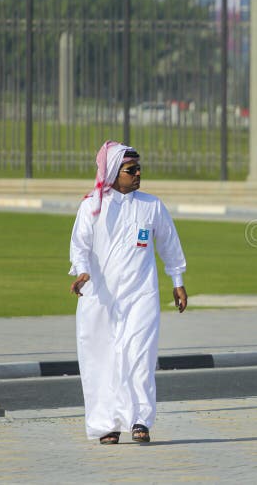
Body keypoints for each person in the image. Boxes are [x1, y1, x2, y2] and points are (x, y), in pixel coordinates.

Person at [69, 140, 188, 445]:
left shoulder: (152, 206)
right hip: (100, 298)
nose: (137, 174)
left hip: (141, 296)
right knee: (100, 358)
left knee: (139, 356)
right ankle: (106, 424)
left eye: (139, 169)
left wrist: (177, 281)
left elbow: (170, 247)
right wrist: (81, 270)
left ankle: (140, 420)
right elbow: (79, 245)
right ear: (112, 173)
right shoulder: (92, 206)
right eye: (130, 169)